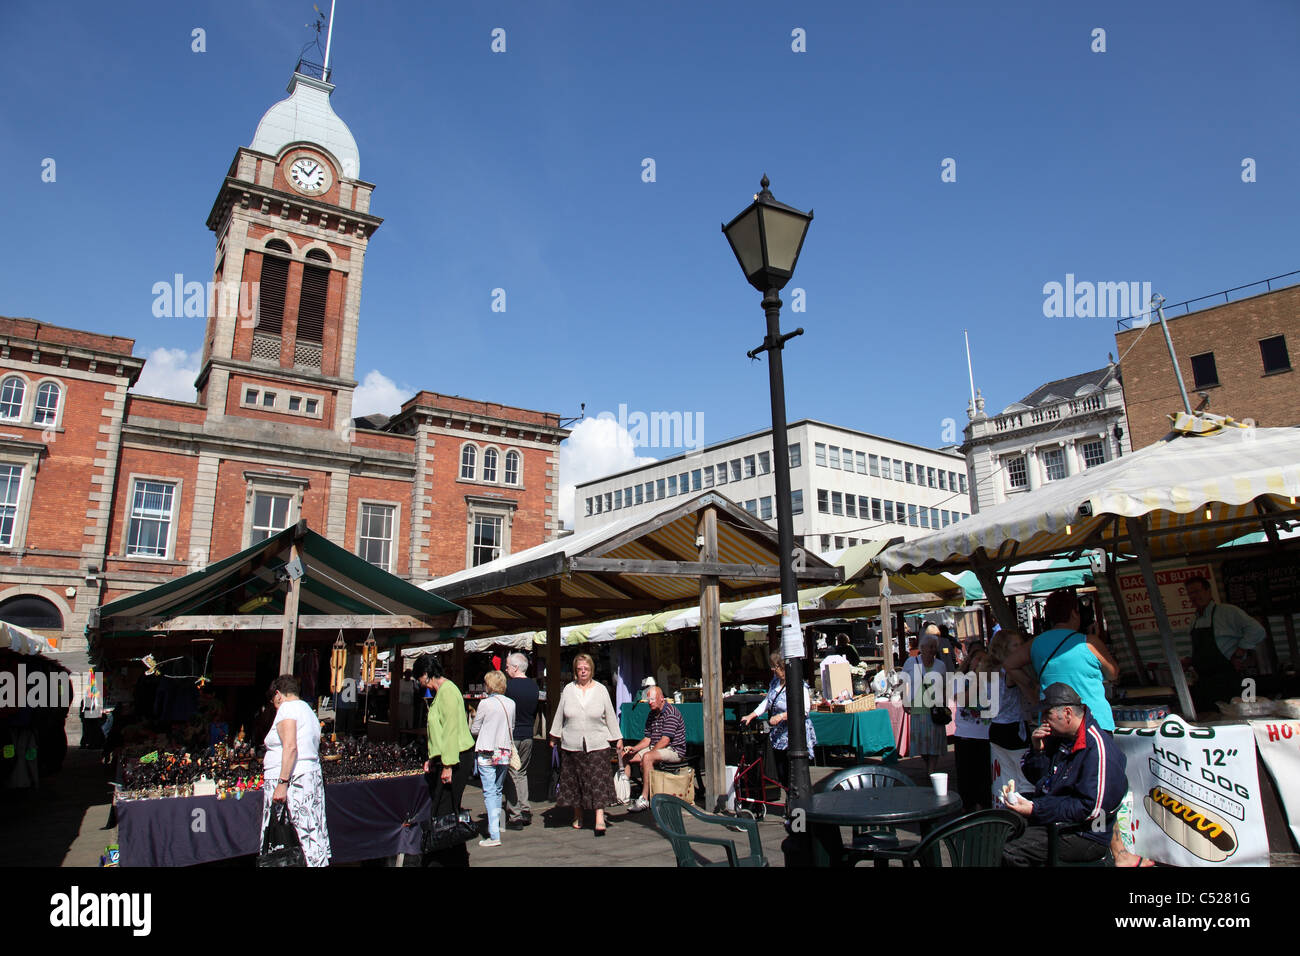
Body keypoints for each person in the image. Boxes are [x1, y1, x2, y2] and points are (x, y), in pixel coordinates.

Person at [1001, 683, 1128, 866]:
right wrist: (1038, 751)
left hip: (1086, 833)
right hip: (1057, 819)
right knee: (997, 828)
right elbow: (1039, 780)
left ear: (1067, 713)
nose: (1043, 720)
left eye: (1047, 714)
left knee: (1009, 849)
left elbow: (1091, 809)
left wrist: (1036, 809)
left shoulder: (1098, 749)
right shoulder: (1059, 737)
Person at [1002, 589, 1119, 733]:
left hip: (1052, 722)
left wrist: (1033, 687)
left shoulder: (1036, 643)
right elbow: (1113, 674)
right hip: (1093, 720)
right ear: (1074, 613)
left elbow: (1009, 664)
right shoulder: (1089, 642)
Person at [549, 653, 622, 836]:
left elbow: (610, 714)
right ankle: (578, 814)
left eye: (586, 669)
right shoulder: (568, 689)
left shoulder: (601, 690)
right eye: (580, 669)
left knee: (598, 780)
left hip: (597, 741)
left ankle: (599, 817)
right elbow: (559, 714)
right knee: (575, 781)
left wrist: (617, 737)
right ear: (575, 670)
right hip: (572, 742)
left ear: (592, 670)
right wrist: (553, 735)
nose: (583, 672)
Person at [261, 675, 330, 867]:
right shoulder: (308, 710)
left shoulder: (287, 709)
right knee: (310, 833)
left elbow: (290, 746)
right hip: (308, 777)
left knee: (299, 835)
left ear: (278, 695)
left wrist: (282, 783)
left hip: (293, 781)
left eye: (273, 701)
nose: (274, 706)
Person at [413, 653, 474, 866]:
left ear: (426, 674)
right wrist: (433, 758)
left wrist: (447, 764)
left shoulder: (448, 692)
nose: (419, 682)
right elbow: (438, 731)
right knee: (446, 812)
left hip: (456, 758)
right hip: (447, 757)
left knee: (443, 813)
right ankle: (455, 860)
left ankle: (444, 861)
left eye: (419, 678)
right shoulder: (440, 692)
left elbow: (450, 730)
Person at [1182, 575, 1264, 710]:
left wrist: (1240, 652)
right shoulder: (1194, 620)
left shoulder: (1228, 611)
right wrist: (1189, 660)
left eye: (1197, 591)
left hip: (1230, 680)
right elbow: (1199, 649)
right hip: (1206, 683)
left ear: (1208, 591)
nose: (1194, 596)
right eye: (1190, 593)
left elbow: (1257, 630)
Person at [740, 652, 817, 793]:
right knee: (781, 771)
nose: (772, 670)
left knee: (794, 772)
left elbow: (804, 710)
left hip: (794, 735)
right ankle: (789, 798)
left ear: (783, 667)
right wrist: (751, 715)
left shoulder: (798, 685)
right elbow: (767, 702)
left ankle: (798, 801)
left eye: (775, 666)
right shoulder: (775, 683)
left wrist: (781, 716)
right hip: (778, 736)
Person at [470, 669, 516, 848]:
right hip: (504, 750)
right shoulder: (511, 704)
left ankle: (495, 834)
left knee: (489, 791)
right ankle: (497, 825)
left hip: (487, 749)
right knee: (497, 790)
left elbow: (475, 729)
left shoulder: (485, 704)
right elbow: (511, 726)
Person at [622, 685, 687, 811]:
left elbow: (665, 740)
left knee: (647, 758)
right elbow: (647, 739)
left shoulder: (671, 713)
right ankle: (623, 795)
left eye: (652, 699)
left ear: (661, 698)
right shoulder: (651, 714)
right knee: (626, 756)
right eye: (648, 700)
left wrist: (648, 755)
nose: (650, 702)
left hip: (673, 750)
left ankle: (645, 798)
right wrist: (634, 749)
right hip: (655, 747)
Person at [901, 633, 947, 774]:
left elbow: (944, 686)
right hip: (917, 707)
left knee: (934, 742)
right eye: (930, 647)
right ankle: (928, 765)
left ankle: (931, 769)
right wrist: (905, 699)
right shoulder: (911, 662)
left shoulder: (940, 665)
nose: (933, 650)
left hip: (935, 708)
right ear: (922, 648)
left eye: (935, 647)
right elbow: (903, 682)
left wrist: (944, 703)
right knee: (922, 743)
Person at [953, 648, 993, 811]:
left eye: (985, 660)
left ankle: (984, 805)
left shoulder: (992, 680)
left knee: (984, 775)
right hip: (965, 735)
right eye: (978, 659)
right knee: (966, 776)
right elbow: (962, 699)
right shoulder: (960, 679)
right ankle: (967, 807)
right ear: (970, 661)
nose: (981, 663)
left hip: (986, 735)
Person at [503, 652, 539, 830]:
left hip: (512, 735)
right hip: (528, 734)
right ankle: (525, 809)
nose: (506, 668)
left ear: (516, 667)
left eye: (508, 665)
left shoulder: (508, 687)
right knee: (522, 772)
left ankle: (515, 813)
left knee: (511, 774)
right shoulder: (534, 687)